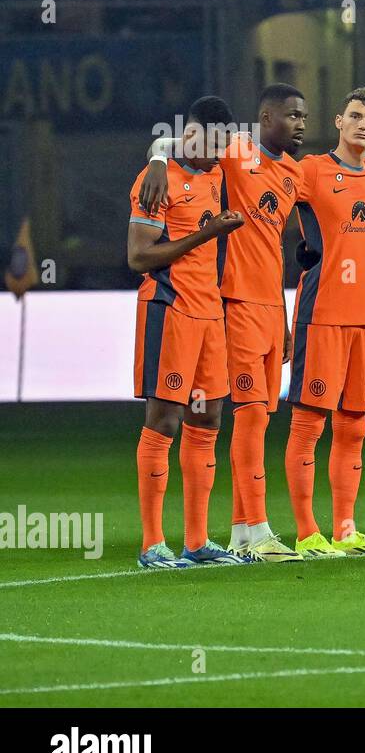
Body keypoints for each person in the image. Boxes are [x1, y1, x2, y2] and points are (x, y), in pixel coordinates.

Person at [128, 96, 247, 568]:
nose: (219, 156)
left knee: (208, 419)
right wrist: (208, 232)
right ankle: (152, 544)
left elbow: (169, 141)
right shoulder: (155, 181)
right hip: (170, 308)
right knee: (164, 421)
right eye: (212, 146)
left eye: (224, 147)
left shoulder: (212, 168)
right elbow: (139, 256)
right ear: (193, 136)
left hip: (209, 314)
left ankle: (196, 541)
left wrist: (160, 148)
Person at [284, 87, 365, 557]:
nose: (362, 124)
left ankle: (346, 530)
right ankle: (307, 532)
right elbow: (269, 201)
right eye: (355, 116)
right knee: (309, 424)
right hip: (322, 315)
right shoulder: (310, 170)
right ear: (338, 121)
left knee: (354, 426)